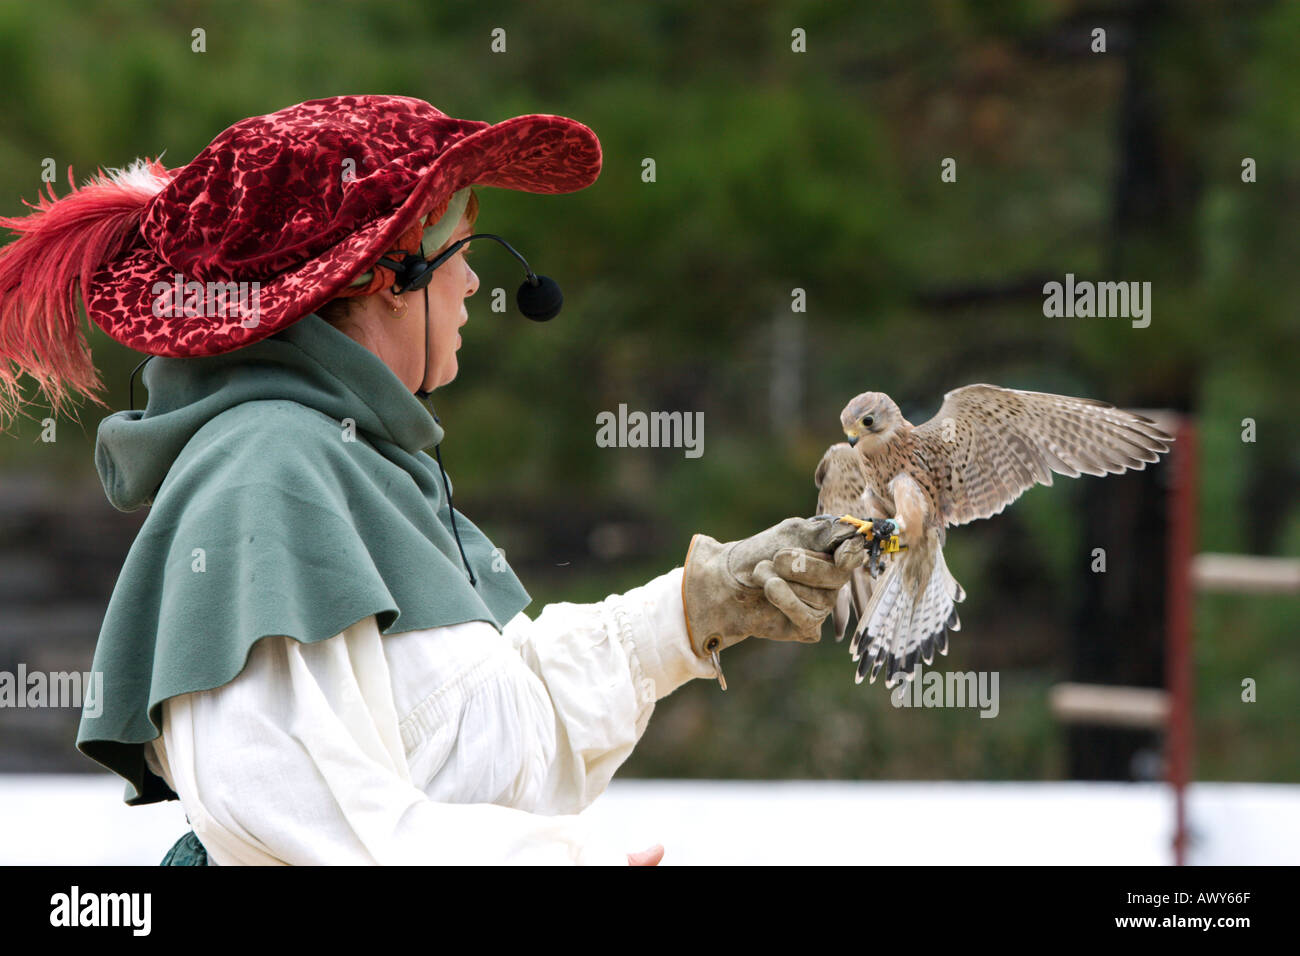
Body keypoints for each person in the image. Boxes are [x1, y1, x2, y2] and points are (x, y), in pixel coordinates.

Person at [0, 95, 865, 865]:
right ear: (383, 274)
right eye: (461, 244)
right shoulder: (266, 474)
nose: (476, 280)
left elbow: (484, 730)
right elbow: (297, 819)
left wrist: (693, 609)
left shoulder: (338, 456)